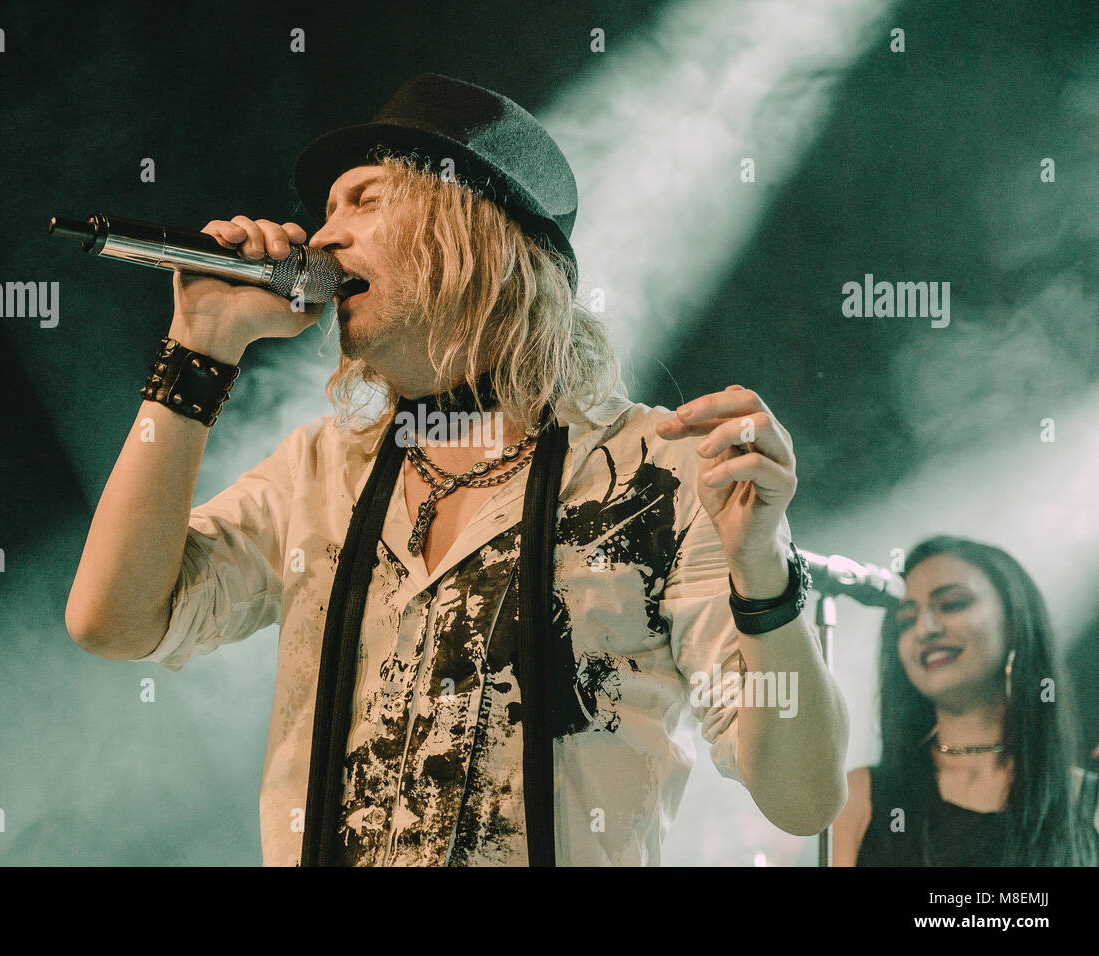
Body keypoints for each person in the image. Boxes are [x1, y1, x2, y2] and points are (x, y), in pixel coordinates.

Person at [65, 73, 849, 866]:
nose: (323, 237)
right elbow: (113, 620)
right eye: (327, 211)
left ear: (477, 231)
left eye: (364, 201)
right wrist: (199, 349)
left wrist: (763, 570)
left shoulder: (654, 469)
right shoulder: (318, 469)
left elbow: (803, 798)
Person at [833, 536, 1099, 866]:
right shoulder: (860, 798)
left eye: (952, 604)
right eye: (906, 619)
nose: (924, 629)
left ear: (1015, 623)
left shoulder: (1088, 804)